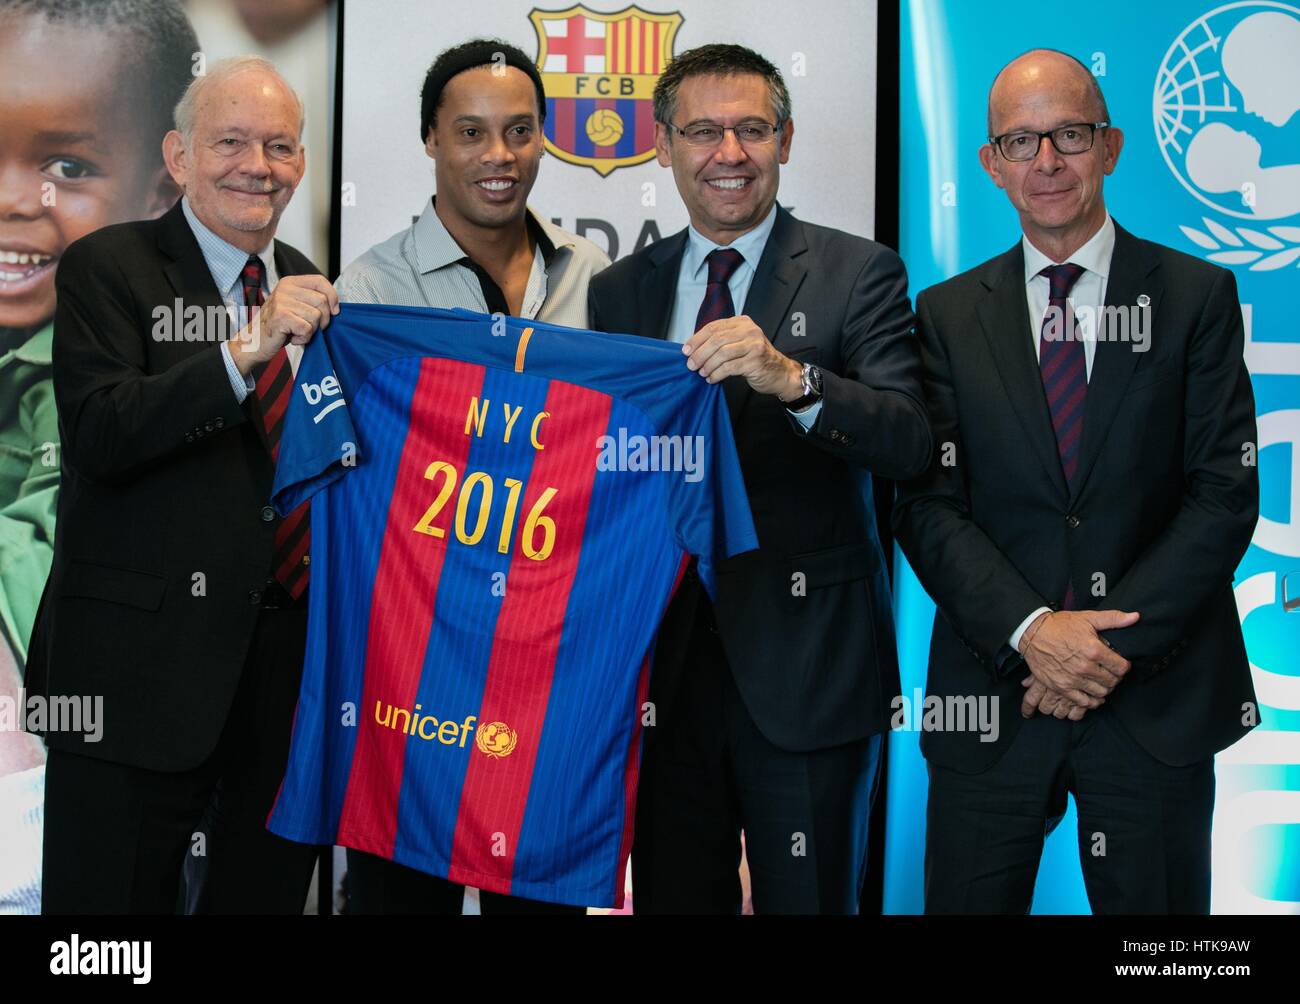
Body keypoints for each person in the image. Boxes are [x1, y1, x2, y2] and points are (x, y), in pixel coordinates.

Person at [892, 49, 1259, 914]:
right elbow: (928, 504)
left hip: (1153, 697)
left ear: (1111, 146)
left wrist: (1096, 652)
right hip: (993, 699)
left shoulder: (1197, 295)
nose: (1046, 162)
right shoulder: (946, 314)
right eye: (1020, 142)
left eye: (1068, 135)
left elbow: (1223, 495)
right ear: (989, 164)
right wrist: (1033, 633)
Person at [587, 43, 931, 914]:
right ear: (662, 144)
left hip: (810, 666)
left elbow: (910, 441)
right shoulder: (620, 289)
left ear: (787, 138)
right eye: (703, 130)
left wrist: (797, 381)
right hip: (659, 672)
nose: (728, 153)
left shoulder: (861, 271)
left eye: (752, 129)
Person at [30, 54, 340, 914]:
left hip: (278, 683)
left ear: (303, 165)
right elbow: (103, 434)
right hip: (126, 685)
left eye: (280, 146)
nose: (258, 165)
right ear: (177, 157)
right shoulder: (107, 266)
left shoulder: (308, 279)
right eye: (230, 141)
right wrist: (244, 349)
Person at [336, 38, 608, 916]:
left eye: (521, 132)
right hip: (413, 673)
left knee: (542, 897)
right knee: (398, 894)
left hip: (556, 668)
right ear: (429, 141)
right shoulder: (366, 295)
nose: (500, 157)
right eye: (472, 133)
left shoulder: (601, 281)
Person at [0, 0, 199, 915]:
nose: (14, 198)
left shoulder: (172, 360)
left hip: (84, 774)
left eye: (67, 166)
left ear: (165, 185)